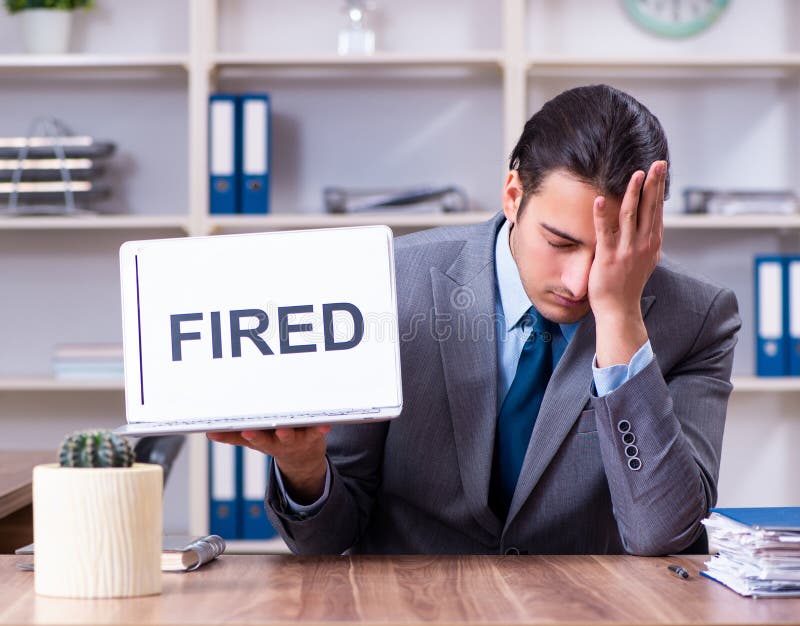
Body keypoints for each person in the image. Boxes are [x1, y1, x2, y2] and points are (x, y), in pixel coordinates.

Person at [208, 84, 741, 555]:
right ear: (513, 196)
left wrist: (621, 318)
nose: (580, 282)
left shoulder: (699, 320)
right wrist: (304, 468)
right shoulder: (387, 285)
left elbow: (662, 535)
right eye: (560, 242)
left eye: (608, 251)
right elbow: (327, 541)